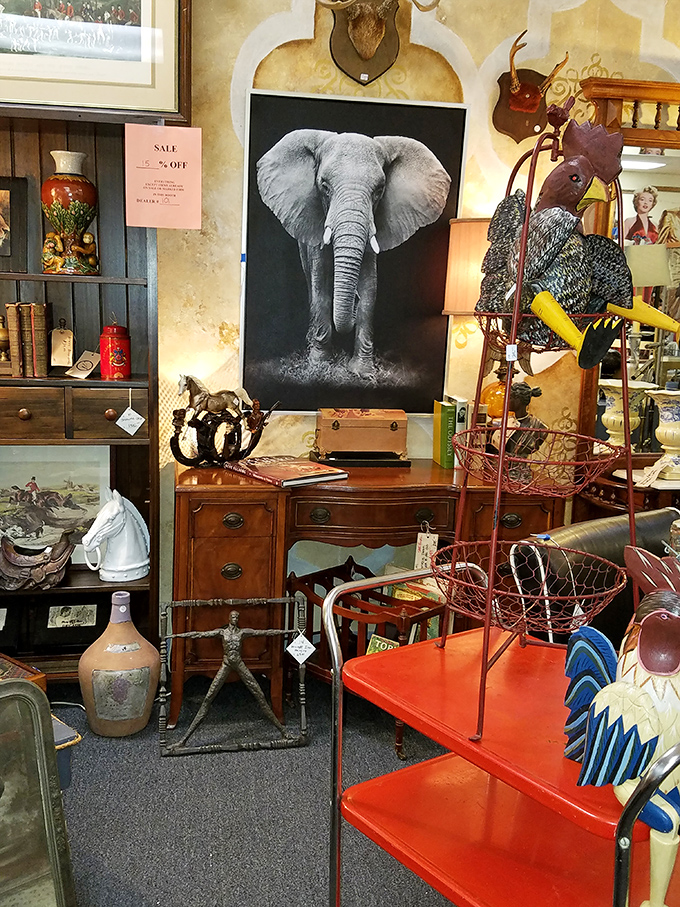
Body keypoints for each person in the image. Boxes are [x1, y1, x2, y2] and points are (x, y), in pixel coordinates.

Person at [170, 610, 293, 747]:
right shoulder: (222, 633)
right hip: (226, 664)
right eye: (233, 617)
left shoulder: (242, 633)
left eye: (237, 617)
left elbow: (265, 632)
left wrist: (289, 631)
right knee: (208, 697)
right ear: (229, 618)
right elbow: (200, 634)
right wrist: (176, 636)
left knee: (260, 695)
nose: (235, 618)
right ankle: (183, 740)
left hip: (239, 664)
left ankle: (284, 733)